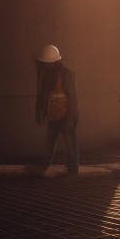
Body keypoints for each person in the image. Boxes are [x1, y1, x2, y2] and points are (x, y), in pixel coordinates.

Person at [35, 44, 79, 175]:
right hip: (53, 115)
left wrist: (70, 119)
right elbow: (42, 94)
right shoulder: (46, 75)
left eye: (47, 63)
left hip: (67, 116)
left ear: (54, 63)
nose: (45, 66)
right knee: (49, 142)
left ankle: (73, 168)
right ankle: (45, 164)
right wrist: (39, 112)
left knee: (70, 143)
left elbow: (73, 97)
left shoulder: (67, 74)